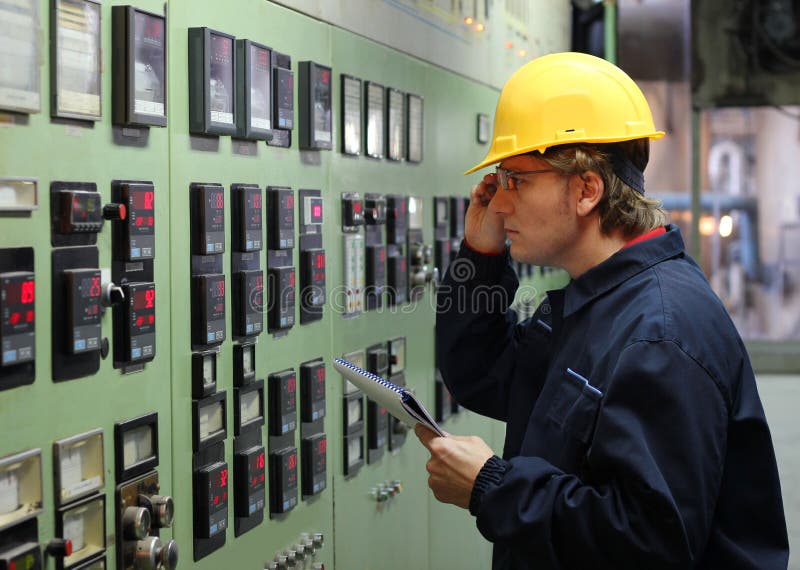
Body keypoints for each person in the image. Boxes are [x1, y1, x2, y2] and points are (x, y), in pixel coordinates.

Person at [416, 52, 789, 569]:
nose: (500, 203)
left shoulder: (658, 332)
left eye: (517, 181)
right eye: (499, 182)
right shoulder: (597, 303)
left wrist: (493, 487)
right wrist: (480, 257)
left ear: (587, 189)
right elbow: (482, 374)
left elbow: (649, 543)